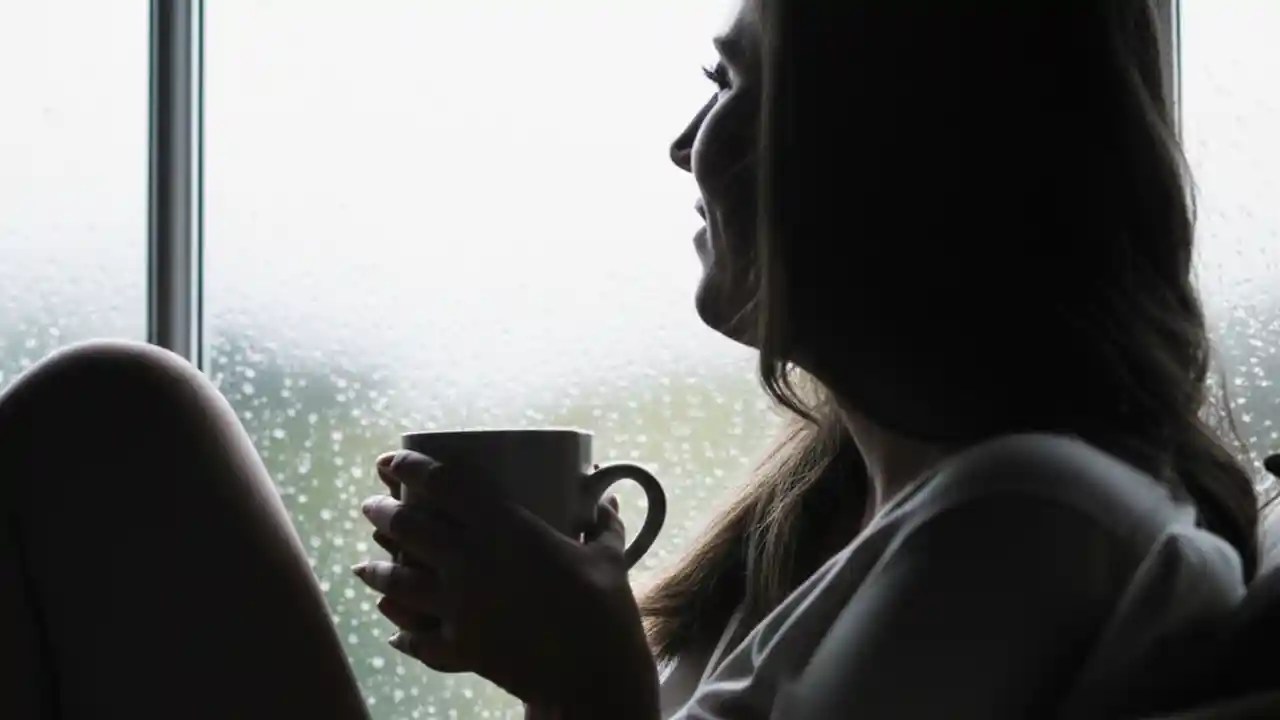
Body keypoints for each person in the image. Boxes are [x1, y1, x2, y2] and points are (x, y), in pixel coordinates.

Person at [0, 1, 1265, 719]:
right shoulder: (836, 526)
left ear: (878, 150)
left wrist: (588, 684)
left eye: (731, 86)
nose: (684, 146)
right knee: (113, 424)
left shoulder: (1030, 519)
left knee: (115, 425)